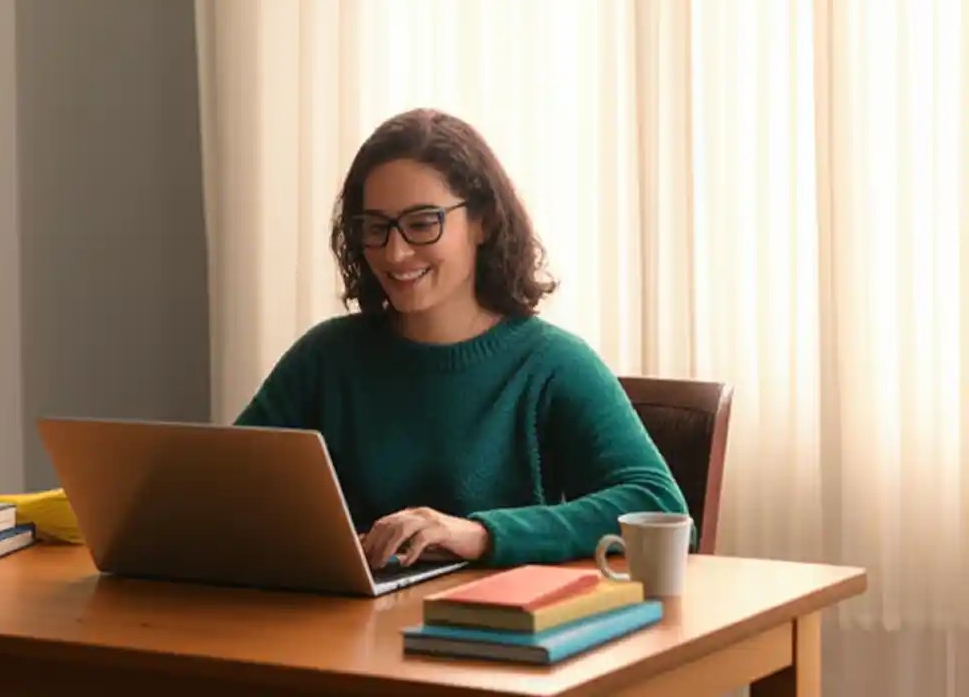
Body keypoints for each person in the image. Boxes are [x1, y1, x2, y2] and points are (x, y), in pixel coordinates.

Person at [234, 108, 689, 571]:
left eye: (422, 222)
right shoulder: (325, 357)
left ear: (483, 222)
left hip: (494, 631)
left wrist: (480, 534)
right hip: (341, 630)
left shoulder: (551, 363)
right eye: (376, 227)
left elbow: (661, 506)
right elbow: (217, 487)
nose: (395, 252)